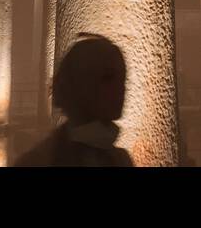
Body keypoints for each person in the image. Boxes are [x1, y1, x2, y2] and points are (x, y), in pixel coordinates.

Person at [14, 34, 133, 166]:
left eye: (122, 78)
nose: (121, 88)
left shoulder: (121, 159)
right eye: (108, 78)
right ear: (80, 84)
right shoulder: (38, 161)